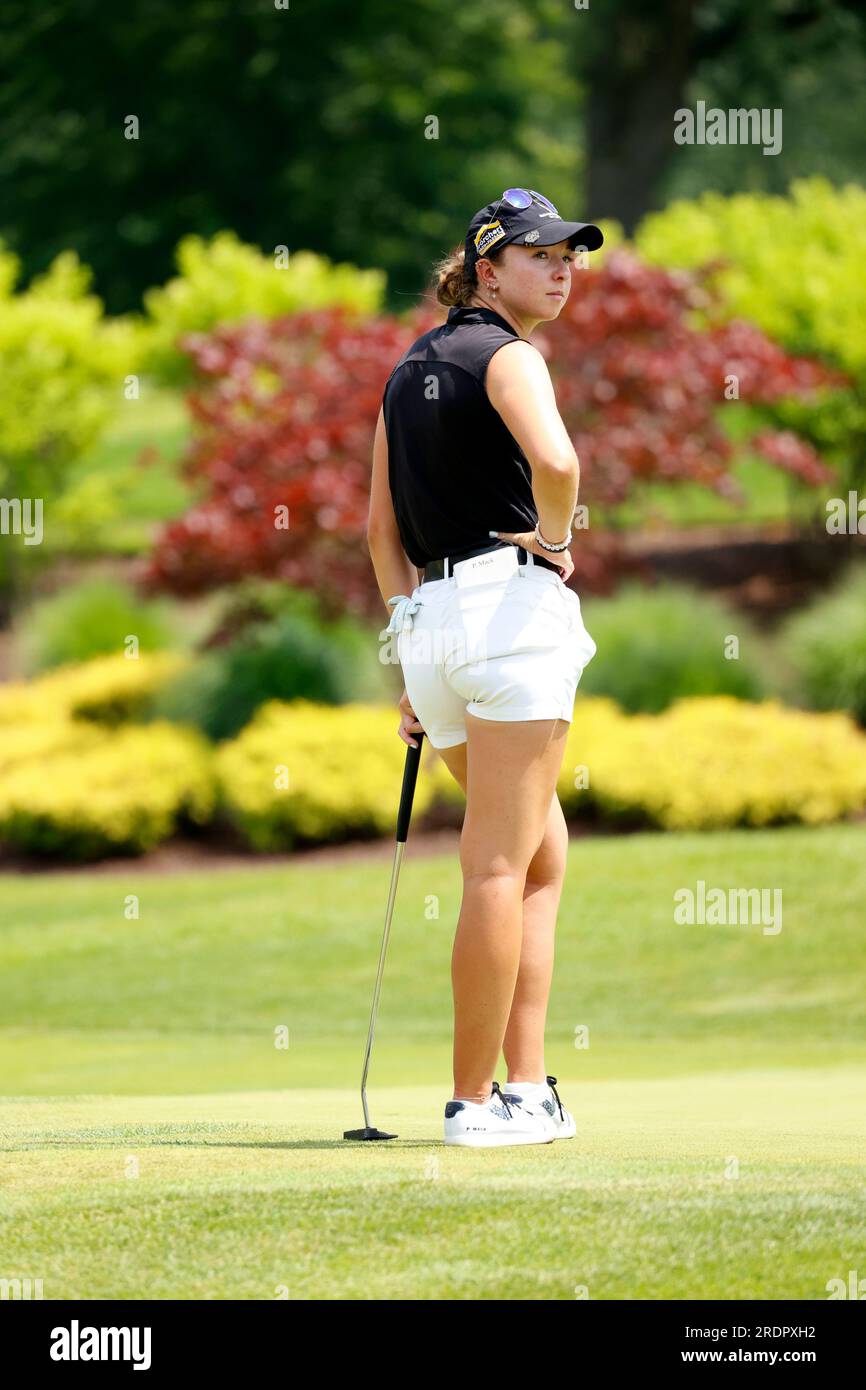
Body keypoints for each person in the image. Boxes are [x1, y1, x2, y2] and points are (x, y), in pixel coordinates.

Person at [366, 188, 602, 1148]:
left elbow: (380, 533)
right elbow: (561, 465)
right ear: (487, 269)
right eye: (542, 254)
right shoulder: (512, 354)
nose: (563, 268)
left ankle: (529, 1087)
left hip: (430, 625)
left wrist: (410, 650)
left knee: (540, 856)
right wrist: (552, 540)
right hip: (508, 614)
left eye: (571, 255)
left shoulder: (405, 371)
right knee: (500, 865)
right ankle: (472, 1105)